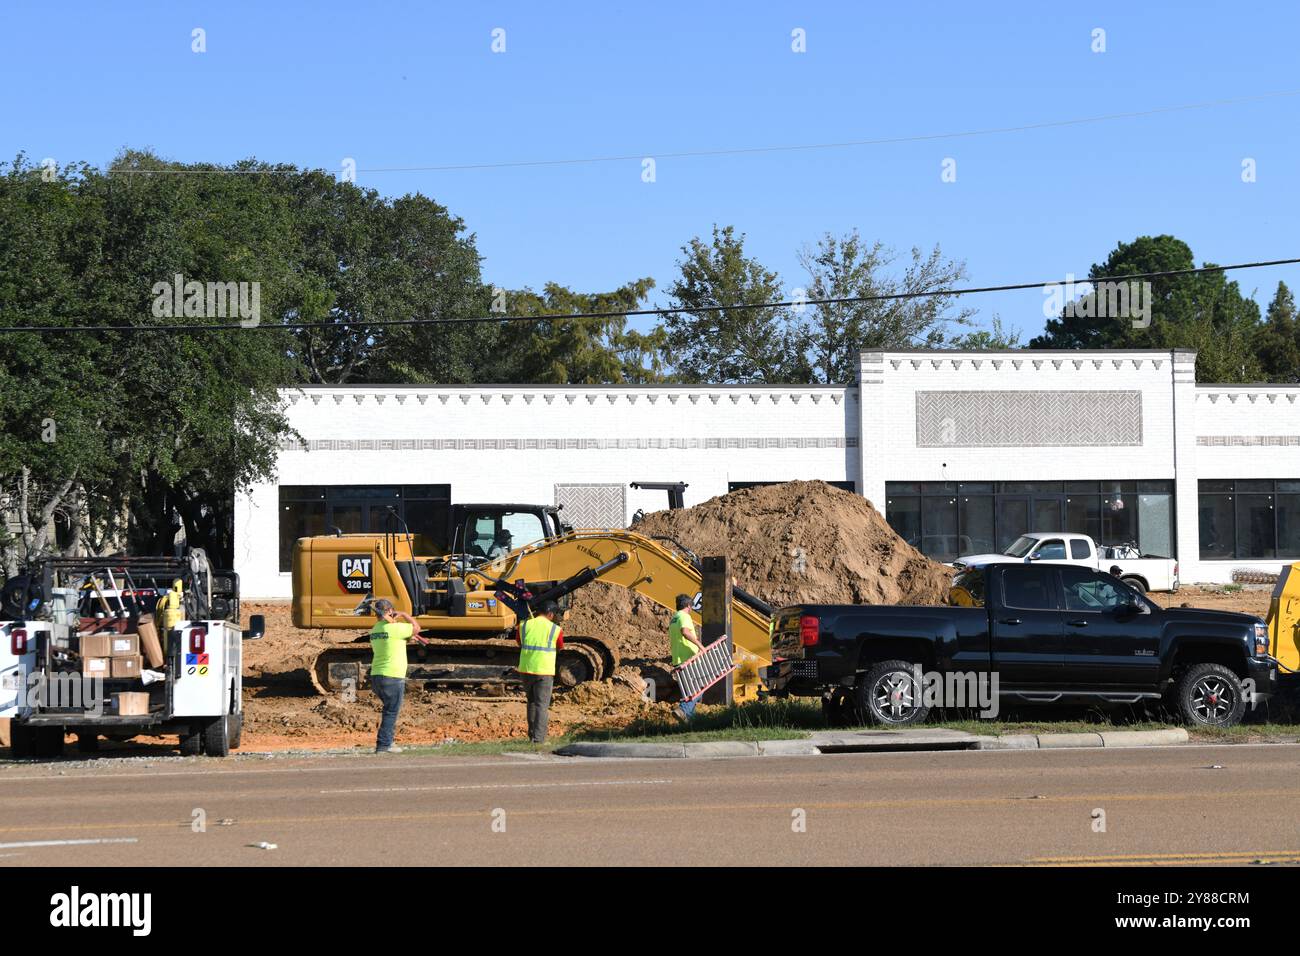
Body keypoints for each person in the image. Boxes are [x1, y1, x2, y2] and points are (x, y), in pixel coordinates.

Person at [368, 598, 429, 753]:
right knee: (391, 711)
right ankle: (384, 745)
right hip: (392, 676)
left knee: (389, 709)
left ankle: (388, 742)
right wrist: (404, 614)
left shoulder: (375, 629)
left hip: (377, 676)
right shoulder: (396, 628)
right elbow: (417, 627)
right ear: (390, 611)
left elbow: (391, 641)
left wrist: (407, 638)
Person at [516, 600, 563, 744]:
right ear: (550, 613)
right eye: (554, 614)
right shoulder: (555, 629)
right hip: (544, 671)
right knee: (542, 706)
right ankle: (538, 740)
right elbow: (560, 646)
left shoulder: (524, 625)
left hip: (526, 669)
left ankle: (532, 737)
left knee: (531, 702)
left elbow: (519, 642)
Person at [668, 594, 703, 721]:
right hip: (688, 658)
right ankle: (683, 709)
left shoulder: (674, 618)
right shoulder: (684, 616)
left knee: (690, 690)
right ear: (688, 606)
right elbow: (685, 631)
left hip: (678, 659)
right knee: (699, 688)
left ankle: (690, 721)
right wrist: (700, 646)